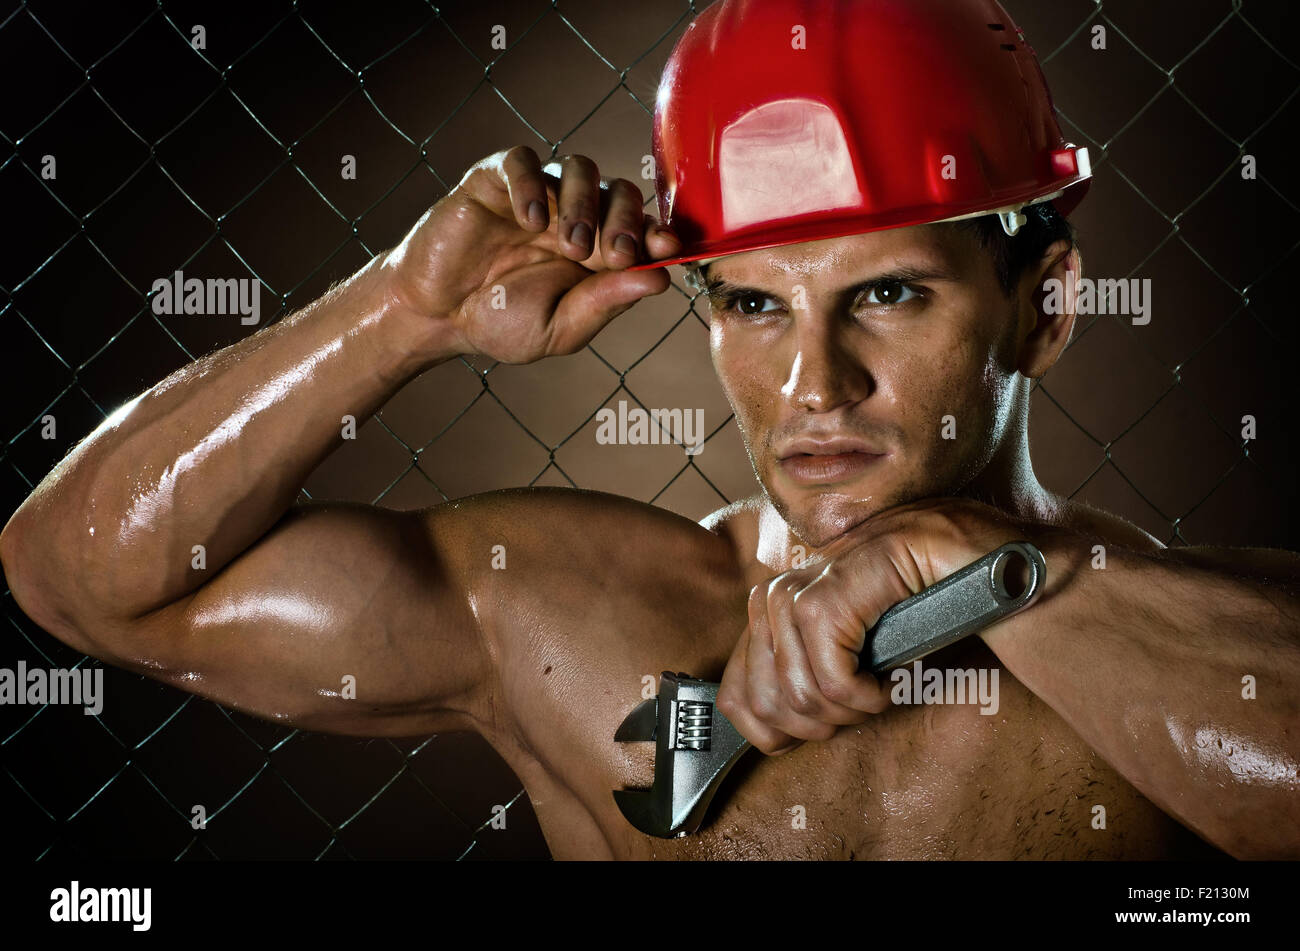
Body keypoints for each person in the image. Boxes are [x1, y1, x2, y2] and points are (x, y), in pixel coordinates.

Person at [2, 0, 1296, 860]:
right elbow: (80, 581)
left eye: (887, 295)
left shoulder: (1205, 644)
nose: (814, 381)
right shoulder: (563, 618)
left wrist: (975, 567)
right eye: (751, 303)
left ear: (1046, 306)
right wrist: (399, 312)